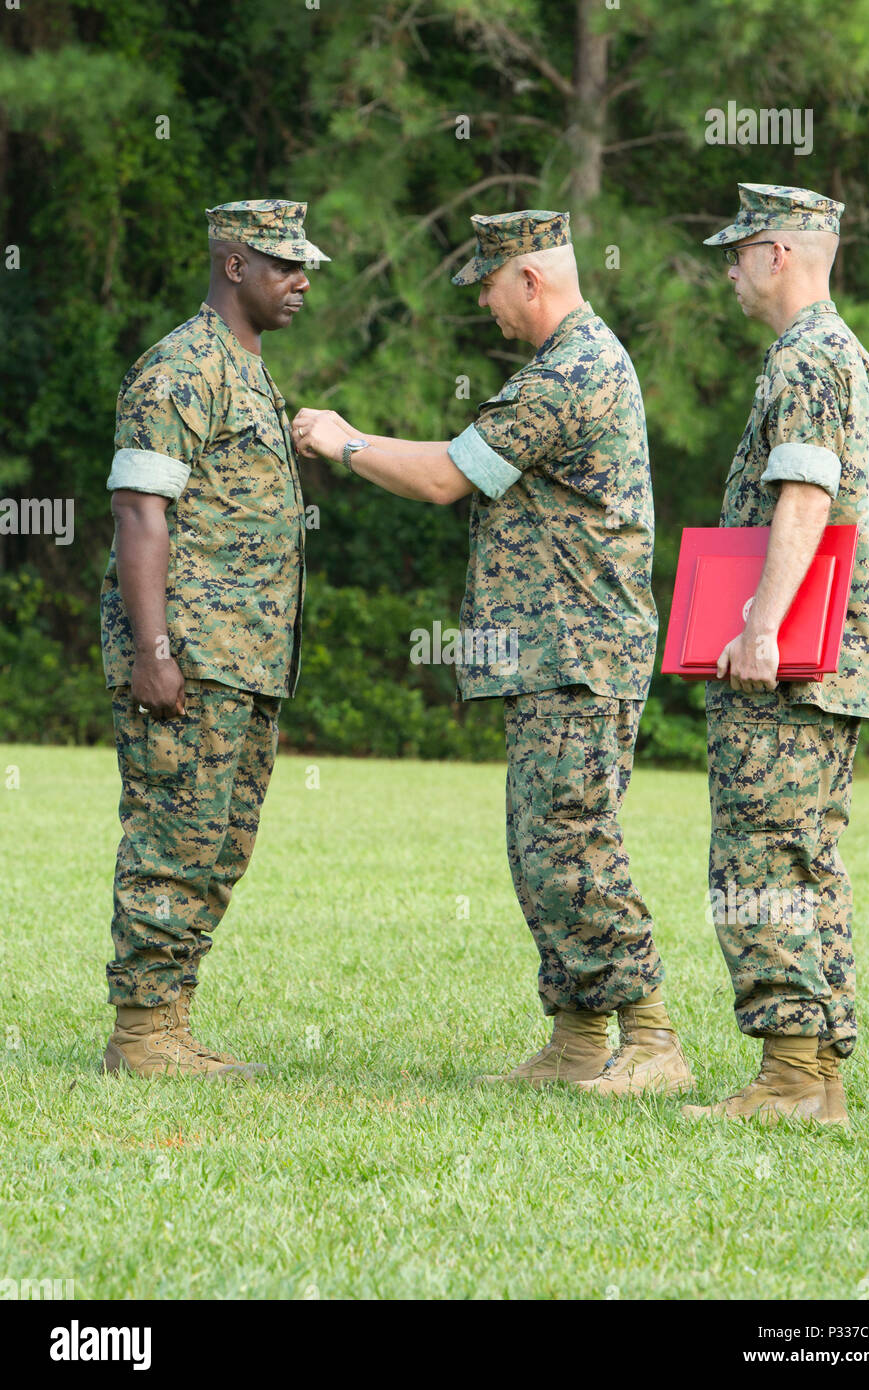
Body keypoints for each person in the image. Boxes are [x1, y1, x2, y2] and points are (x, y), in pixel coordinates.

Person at [291, 209, 692, 1096]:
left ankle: (653, 1039)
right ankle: (581, 1037)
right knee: (538, 843)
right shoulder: (568, 364)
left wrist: (345, 442)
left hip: (578, 654)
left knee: (572, 841)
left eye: (488, 285)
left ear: (532, 280)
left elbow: (444, 477)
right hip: (556, 653)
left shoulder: (571, 372)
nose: (483, 303)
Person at [682, 184, 869, 1126]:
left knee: (760, 859)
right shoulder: (856, 361)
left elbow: (805, 499)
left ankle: (789, 1079)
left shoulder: (806, 358)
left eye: (738, 252)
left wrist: (761, 628)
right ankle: (815, 1075)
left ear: (778, 254)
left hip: (795, 663)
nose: (728, 270)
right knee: (807, 858)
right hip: (839, 662)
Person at [100, 199, 328, 1077]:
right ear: (234, 265)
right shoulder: (180, 368)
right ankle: (142, 1034)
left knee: (220, 841)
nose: (302, 280)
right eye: (284, 264)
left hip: (245, 661)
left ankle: (169, 1019)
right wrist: (155, 651)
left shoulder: (246, 368)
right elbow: (137, 508)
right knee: (173, 836)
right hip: (191, 656)